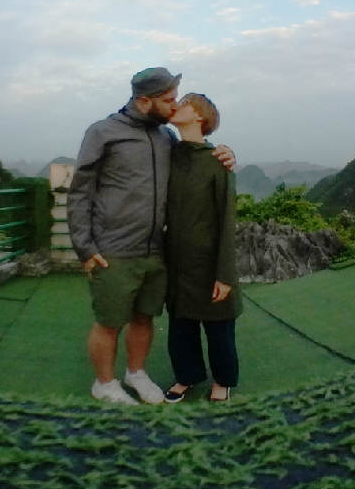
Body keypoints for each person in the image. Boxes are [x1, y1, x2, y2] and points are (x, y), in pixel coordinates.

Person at [69, 67, 235, 405]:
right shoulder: (103, 132)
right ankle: (104, 383)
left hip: (156, 252)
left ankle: (137, 372)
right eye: (169, 100)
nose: (175, 106)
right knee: (110, 321)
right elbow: (80, 191)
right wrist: (84, 247)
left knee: (144, 317)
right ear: (145, 101)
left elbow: (197, 155)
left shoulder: (166, 138)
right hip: (112, 249)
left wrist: (225, 154)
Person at [161, 92, 239, 402]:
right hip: (176, 260)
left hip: (209, 261)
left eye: (184, 103)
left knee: (219, 328)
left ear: (199, 116)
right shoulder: (170, 154)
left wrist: (225, 274)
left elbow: (226, 220)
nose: (175, 105)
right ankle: (186, 376)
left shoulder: (216, 162)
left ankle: (223, 380)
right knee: (181, 325)